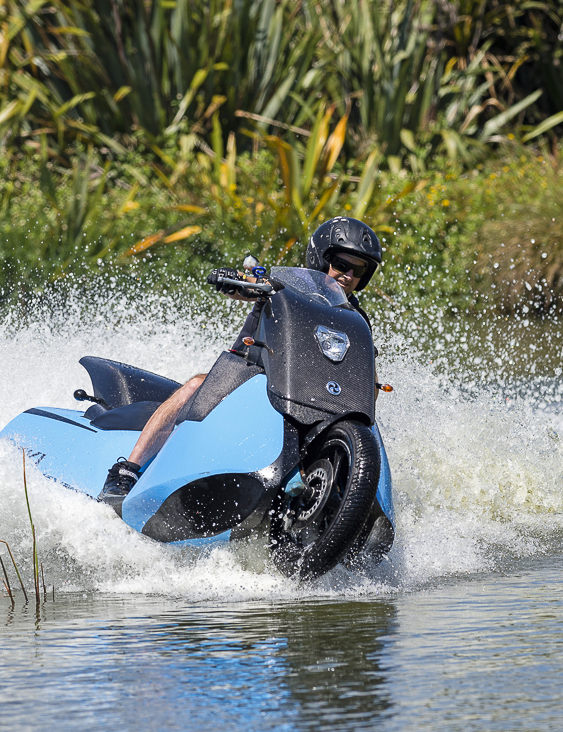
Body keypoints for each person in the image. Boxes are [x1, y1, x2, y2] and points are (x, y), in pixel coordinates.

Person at [96, 216, 383, 513]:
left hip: (310, 394)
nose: (348, 274)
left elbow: (366, 373)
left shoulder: (356, 319)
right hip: (252, 372)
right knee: (195, 383)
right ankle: (127, 471)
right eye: (340, 263)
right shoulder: (283, 285)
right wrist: (235, 282)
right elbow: (248, 285)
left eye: (358, 269)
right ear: (320, 258)